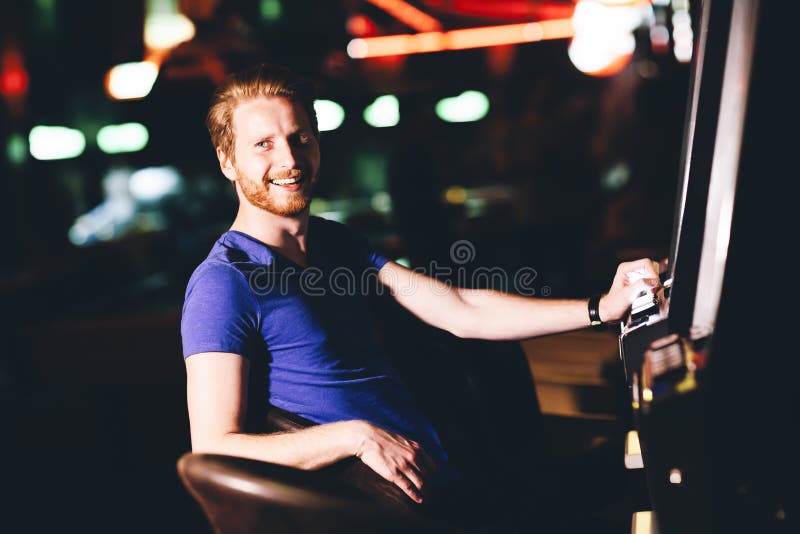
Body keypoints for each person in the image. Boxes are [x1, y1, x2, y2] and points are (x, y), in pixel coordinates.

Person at [180, 63, 660, 517]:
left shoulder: (335, 243)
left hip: (453, 486)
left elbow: (460, 307)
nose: (288, 158)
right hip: (382, 513)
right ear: (227, 161)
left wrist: (602, 307)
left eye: (298, 137)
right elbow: (214, 446)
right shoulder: (223, 283)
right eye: (262, 144)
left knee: (647, 467)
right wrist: (355, 437)